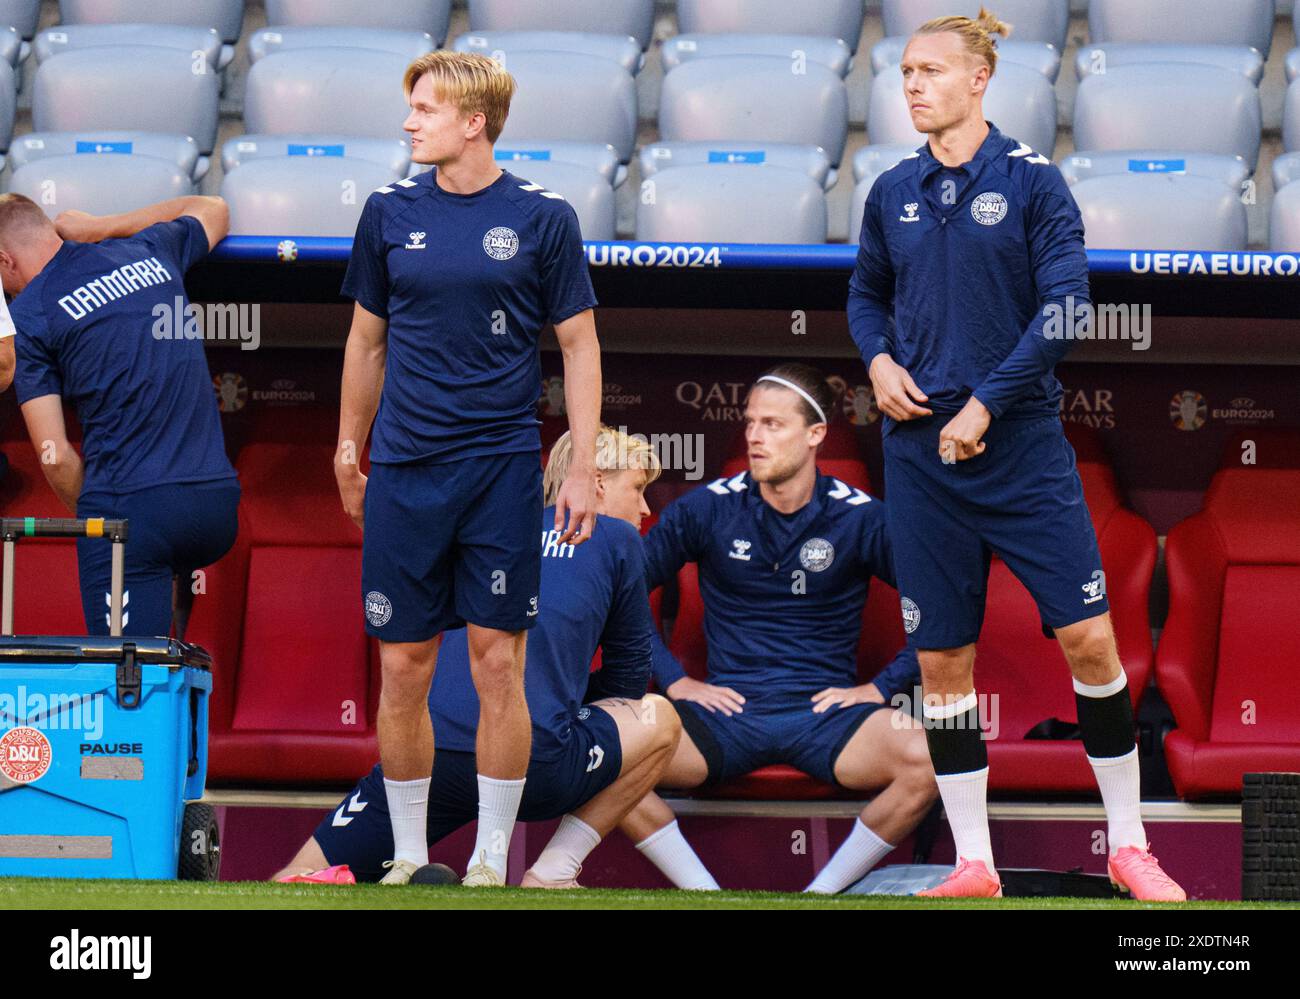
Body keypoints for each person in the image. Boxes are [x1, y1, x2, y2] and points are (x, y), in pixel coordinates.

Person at [846, 8, 1185, 900]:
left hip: (1021, 448)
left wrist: (989, 403)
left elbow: (1069, 306)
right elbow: (864, 295)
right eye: (904, 72)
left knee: (1089, 638)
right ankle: (974, 863)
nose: (912, 85)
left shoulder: (1036, 183)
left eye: (929, 70)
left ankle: (1128, 845)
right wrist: (877, 360)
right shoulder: (891, 190)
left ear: (978, 79)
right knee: (943, 663)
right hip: (920, 455)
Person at [334, 51, 603, 886]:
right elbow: (365, 341)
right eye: (410, 108)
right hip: (407, 472)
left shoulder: (542, 215)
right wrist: (350, 445)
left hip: (499, 468)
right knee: (404, 666)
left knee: (496, 662)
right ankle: (411, 855)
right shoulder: (386, 212)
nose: (409, 122)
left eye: (424, 109)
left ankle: (491, 857)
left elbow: (580, 345)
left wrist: (585, 466)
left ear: (473, 121)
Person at [275, 427, 677, 887]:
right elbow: (629, 681)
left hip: (425, 758)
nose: (646, 508)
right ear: (598, 482)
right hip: (533, 765)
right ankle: (552, 873)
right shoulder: (616, 536)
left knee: (295, 877)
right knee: (659, 718)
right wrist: (567, 707)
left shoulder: (489, 531)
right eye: (639, 488)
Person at [621, 364, 937, 894]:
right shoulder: (706, 508)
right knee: (599, 754)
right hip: (724, 714)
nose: (754, 436)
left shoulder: (860, 518)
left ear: (814, 435)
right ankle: (704, 895)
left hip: (826, 716)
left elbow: (935, 613)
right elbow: (620, 601)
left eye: (772, 424)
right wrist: (674, 680)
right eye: (749, 423)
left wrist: (880, 689)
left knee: (934, 755)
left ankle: (821, 896)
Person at [0, 193, 238, 639]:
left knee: (126, 683)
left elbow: (54, 456)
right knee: (163, 676)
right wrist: (103, 225)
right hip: (217, 504)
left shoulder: (29, 315)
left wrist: (105, 524)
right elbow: (214, 208)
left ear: (5, 260)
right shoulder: (146, 249)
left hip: (134, 511)